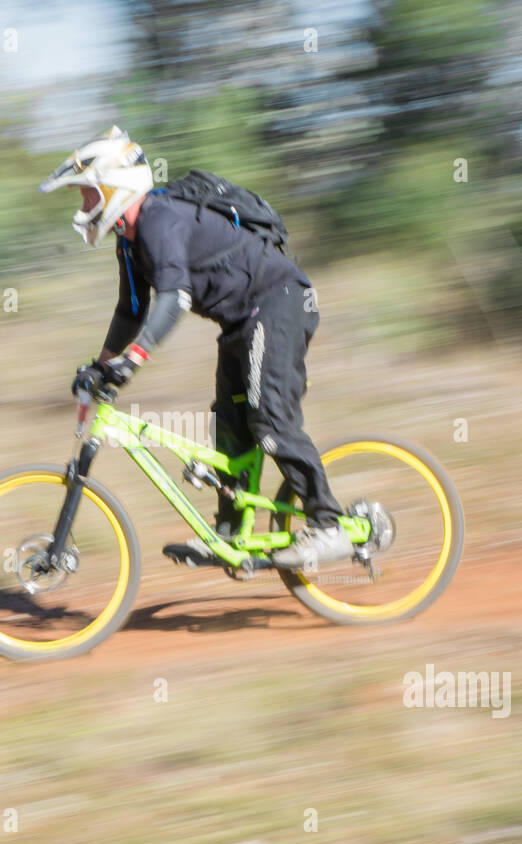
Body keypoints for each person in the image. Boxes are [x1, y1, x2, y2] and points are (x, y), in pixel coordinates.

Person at [39, 126, 349, 570]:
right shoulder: (129, 244)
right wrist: (100, 367)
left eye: (88, 196)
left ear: (115, 188)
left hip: (280, 302)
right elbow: (130, 311)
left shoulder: (159, 219)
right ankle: (232, 532)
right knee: (229, 425)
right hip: (243, 320)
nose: (84, 208)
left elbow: (175, 298)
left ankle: (329, 523)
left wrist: (134, 360)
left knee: (268, 418)